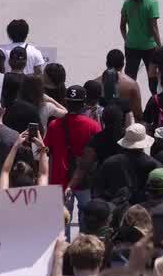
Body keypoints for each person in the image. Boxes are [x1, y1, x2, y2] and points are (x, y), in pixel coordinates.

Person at [45, 85, 101, 214]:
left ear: (66, 102)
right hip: (85, 179)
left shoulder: (54, 125)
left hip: (60, 180)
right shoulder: (93, 126)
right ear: (83, 103)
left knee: (62, 223)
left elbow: (47, 153)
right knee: (87, 218)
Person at [120, 0, 162, 95]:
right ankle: (155, 101)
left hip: (131, 46)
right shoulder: (152, 3)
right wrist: (160, 46)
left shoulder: (128, 1)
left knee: (130, 78)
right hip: (149, 47)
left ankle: (128, 104)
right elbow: (154, 27)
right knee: (152, 77)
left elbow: (122, 26)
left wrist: (127, 40)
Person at [91, 49, 144, 122]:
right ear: (123, 64)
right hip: (121, 127)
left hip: (99, 126)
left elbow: (88, 110)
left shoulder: (94, 83)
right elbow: (138, 114)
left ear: (107, 63)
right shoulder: (132, 85)